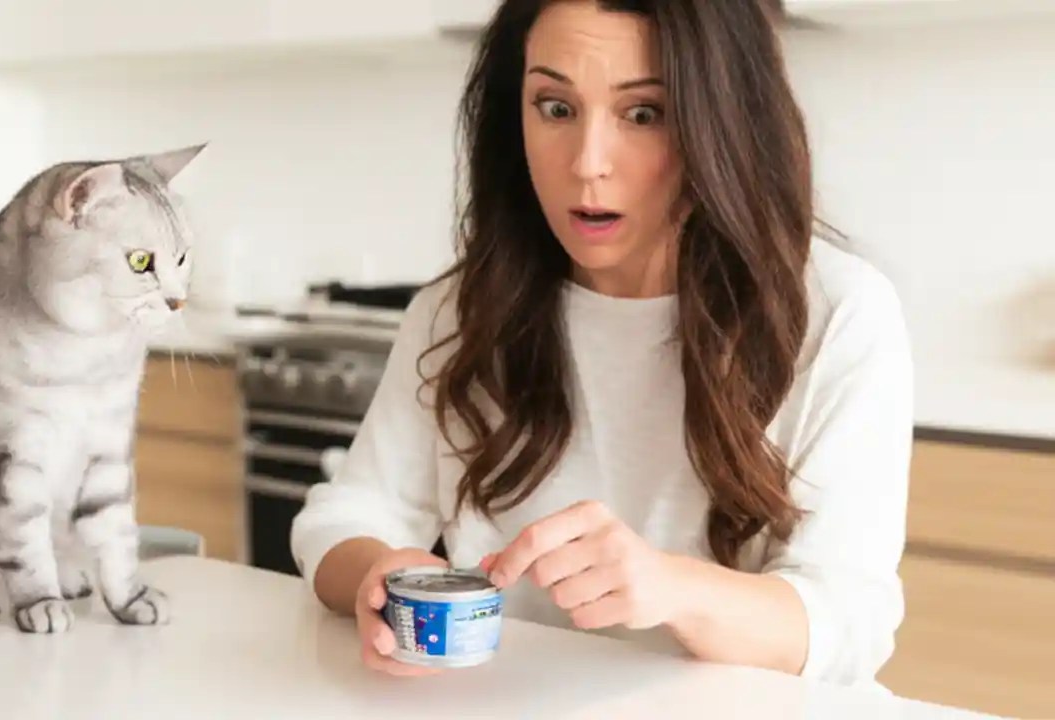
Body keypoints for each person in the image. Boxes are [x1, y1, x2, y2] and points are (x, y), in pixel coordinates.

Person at [289, 0, 913, 687]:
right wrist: (376, 577)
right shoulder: (460, 311)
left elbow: (849, 622)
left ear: (724, 120)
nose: (588, 164)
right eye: (555, 108)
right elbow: (347, 514)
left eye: (644, 114)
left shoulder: (838, 314)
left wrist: (671, 587)